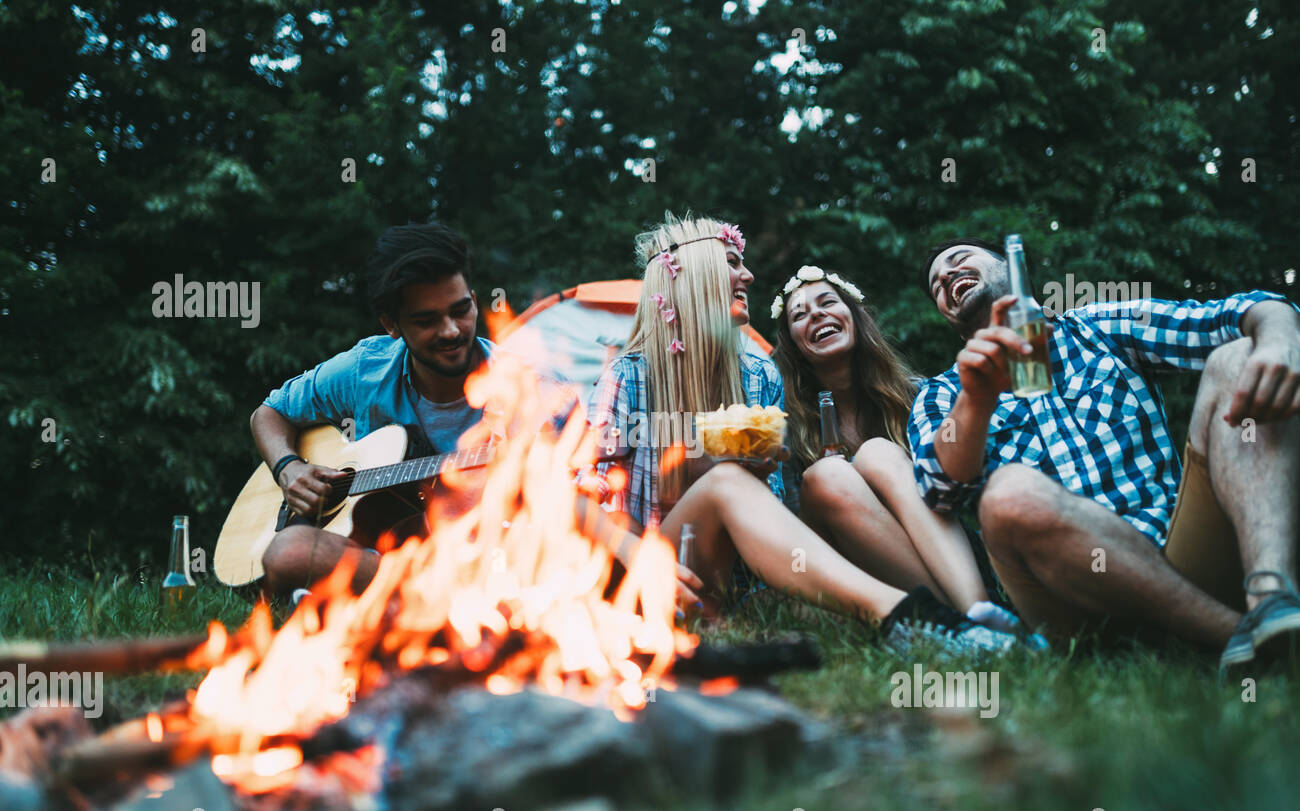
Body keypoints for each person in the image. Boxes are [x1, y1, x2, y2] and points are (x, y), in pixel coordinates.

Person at [588, 214, 1034, 652]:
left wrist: (758, 472)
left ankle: (963, 622)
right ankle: (912, 617)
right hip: (644, 569)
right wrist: (638, 549)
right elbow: (580, 498)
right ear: (696, 274)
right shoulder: (627, 379)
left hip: (734, 583)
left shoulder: (758, 377)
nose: (749, 274)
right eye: (732, 262)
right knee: (728, 482)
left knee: (758, 479)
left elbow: (776, 510)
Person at [916, 236, 1300, 674]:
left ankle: (1272, 602)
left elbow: (1237, 314)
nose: (946, 275)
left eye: (959, 259)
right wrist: (977, 398)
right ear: (946, 314)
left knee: (1239, 356)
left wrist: (1279, 341)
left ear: (1010, 265)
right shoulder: (945, 394)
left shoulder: (1100, 326)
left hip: (1180, 549)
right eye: (936, 285)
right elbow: (937, 490)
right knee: (1008, 495)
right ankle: (1238, 636)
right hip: (1070, 601)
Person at [251, 219, 582, 598]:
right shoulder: (366, 369)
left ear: (474, 300)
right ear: (392, 324)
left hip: (476, 558)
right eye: (427, 320)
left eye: (460, 310)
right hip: (370, 553)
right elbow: (268, 413)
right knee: (289, 551)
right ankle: (424, 598)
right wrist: (288, 468)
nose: (451, 331)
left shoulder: (525, 386)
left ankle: (394, 600)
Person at [770, 264, 1020, 632]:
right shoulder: (782, 423)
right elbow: (789, 534)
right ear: (793, 343)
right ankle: (968, 622)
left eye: (827, 302)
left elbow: (960, 487)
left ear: (853, 317)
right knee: (828, 474)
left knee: (878, 452)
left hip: (946, 560)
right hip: (838, 571)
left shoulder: (917, 395)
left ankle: (974, 618)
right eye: (799, 315)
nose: (817, 314)